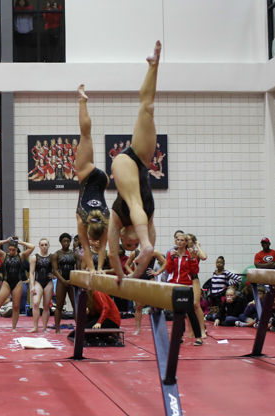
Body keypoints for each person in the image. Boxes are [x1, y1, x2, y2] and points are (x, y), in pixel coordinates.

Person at [108, 41, 162, 283]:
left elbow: (111, 253)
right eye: (135, 244)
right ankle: (154, 63)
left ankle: (153, 63)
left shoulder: (116, 220)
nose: (131, 243)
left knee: (133, 202)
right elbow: (142, 269)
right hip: (142, 160)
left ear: (122, 235)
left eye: (128, 243)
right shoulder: (148, 227)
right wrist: (135, 276)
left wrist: (121, 277)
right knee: (147, 109)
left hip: (124, 163)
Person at [74, 84, 111, 273]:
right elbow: (91, 248)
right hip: (87, 176)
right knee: (85, 135)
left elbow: (103, 248)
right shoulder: (82, 220)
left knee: (86, 137)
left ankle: (82, 100)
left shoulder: (105, 219)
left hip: (104, 181)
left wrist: (97, 270)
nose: (92, 241)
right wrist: (96, 269)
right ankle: (82, 100)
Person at [0, 237, 34, 331]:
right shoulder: (4, 255)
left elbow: (32, 247)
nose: (11, 251)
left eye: (13, 250)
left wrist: (20, 242)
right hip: (7, 282)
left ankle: (13, 328)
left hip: (17, 283)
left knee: (16, 307)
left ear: (16, 249)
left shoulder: (21, 256)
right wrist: (6, 241)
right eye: (10, 249)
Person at [51, 233, 77, 333]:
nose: (66, 243)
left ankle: (78, 327)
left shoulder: (73, 254)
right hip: (61, 281)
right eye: (64, 241)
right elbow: (55, 270)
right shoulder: (56, 254)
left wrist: (72, 280)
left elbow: (78, 268)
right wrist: (63, 281)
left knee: (75, 305)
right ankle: (57, 328)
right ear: (60, 242)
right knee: (59, 305)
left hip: (72, 281)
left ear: (70, 242)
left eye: (68, 241)